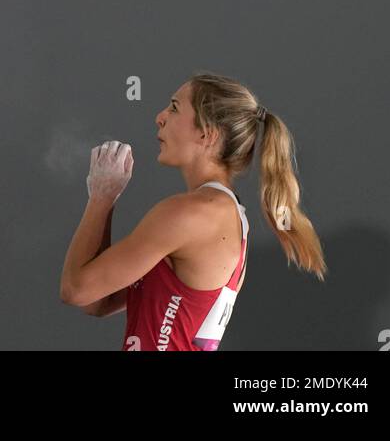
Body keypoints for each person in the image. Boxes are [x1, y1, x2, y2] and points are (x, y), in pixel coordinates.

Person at [59, 70, 326, 350]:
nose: (159, 116)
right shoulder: (229, 217)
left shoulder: (192, 214)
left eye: (174, 108)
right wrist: (107, 199)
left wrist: (101, 198)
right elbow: (97, 302)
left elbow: (75, 290)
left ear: (206, 134)